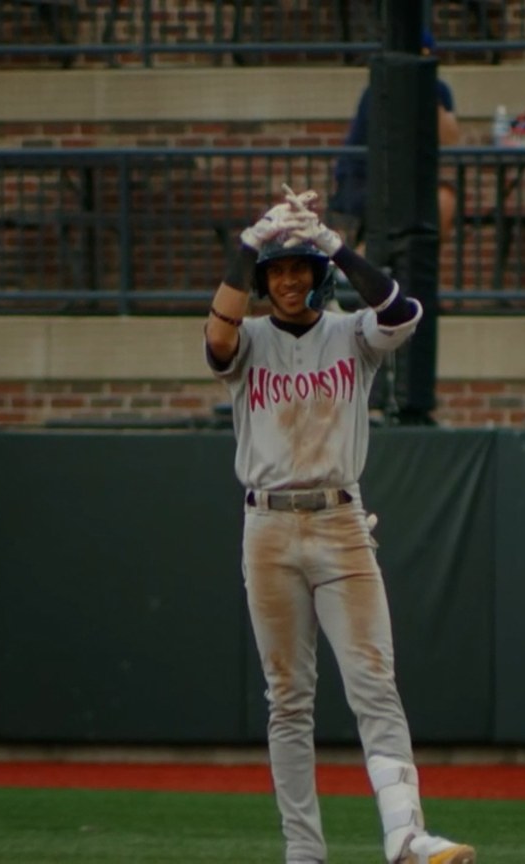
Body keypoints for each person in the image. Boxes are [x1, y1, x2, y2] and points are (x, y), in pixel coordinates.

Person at [202, 185, 477, 864]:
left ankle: (404, 835)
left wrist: (332, 244)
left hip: (339, 520)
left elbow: (403, 310)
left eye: (300, 269)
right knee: (288, 700)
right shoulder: (253, 335)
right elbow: (217, 338)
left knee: (373, 685)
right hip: (268, 524)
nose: (289, 280)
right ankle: (305, 853)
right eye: (278, 271)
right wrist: (248, 247)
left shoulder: (351, 331)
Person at [329, 31, 460, 250]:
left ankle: (410, 268)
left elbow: (451, 138)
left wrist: (428, 90)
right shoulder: (380, 89)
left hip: (408, 182)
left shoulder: (438, 90)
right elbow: (390, 142)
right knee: (391, 225)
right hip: (364, 178)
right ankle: (358, 269)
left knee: (443, 201)